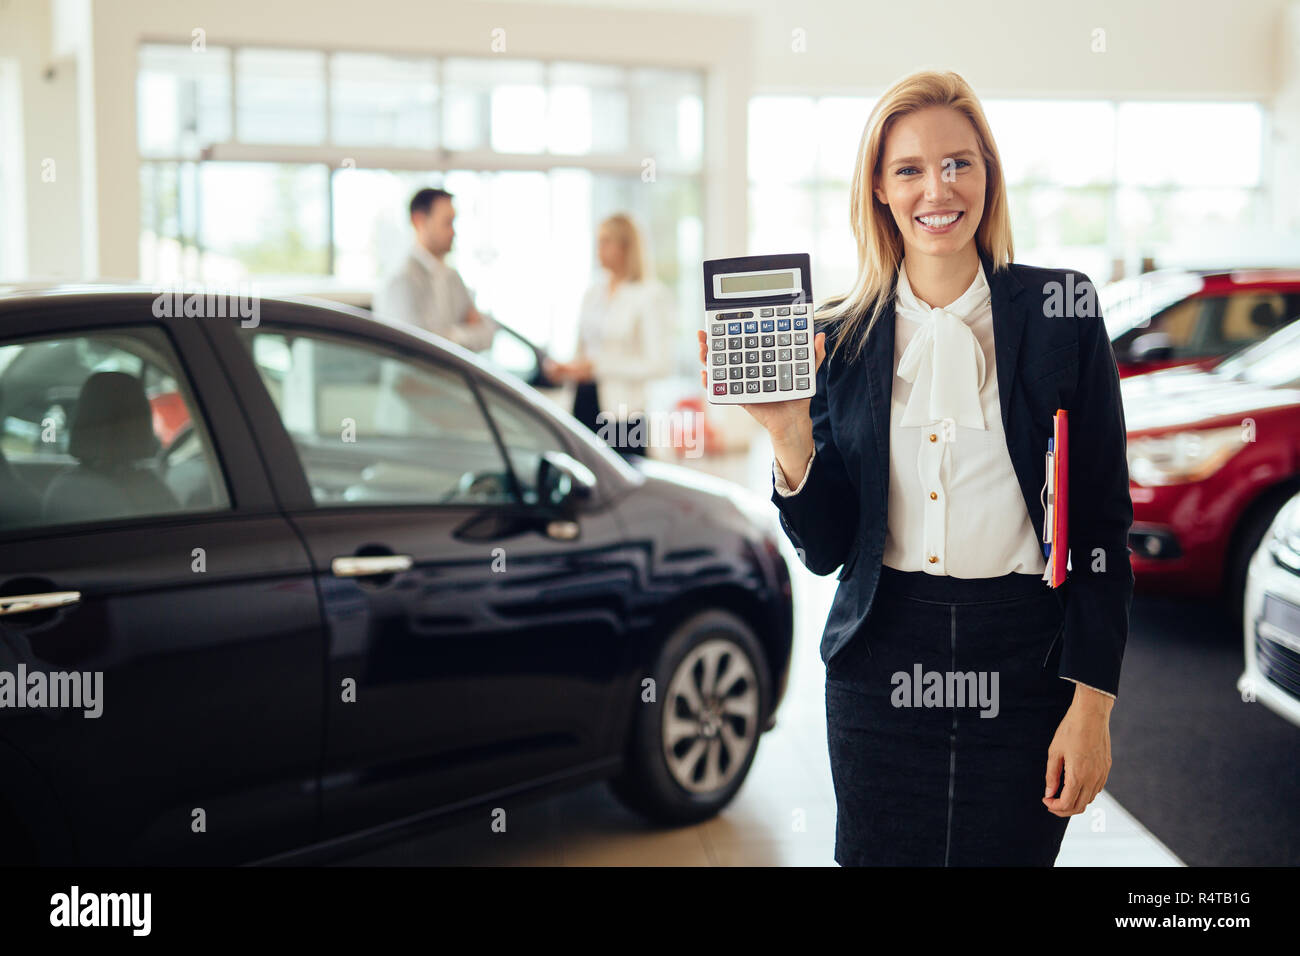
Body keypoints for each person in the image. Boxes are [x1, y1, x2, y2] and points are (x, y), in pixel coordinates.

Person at [696, 70, 1133, 866]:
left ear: (988, 176)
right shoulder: (836, 334)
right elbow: (828, 550)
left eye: (960, 163)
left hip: (1026, 657)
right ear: (879, 188)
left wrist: (1093, 703)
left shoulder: (1061, 309)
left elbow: (1102, 522)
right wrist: (789, 433)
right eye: (910, 169)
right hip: (881, 658)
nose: (940, 187)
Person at [546, 213, 675, 458]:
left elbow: (660, 365)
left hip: (622, 412)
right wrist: (568, 369)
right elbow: (583, 351)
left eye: (606, 242)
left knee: (623, 482)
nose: (599, 249)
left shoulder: (650, 295)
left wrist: (598, 367)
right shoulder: (593, 293)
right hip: (583, 402)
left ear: (625, 246)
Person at [373, 187, 495, 352]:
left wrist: (450, 336)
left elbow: (487, 333)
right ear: (419, 221)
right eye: (447, 223)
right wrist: (463, 331)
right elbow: (417, 348)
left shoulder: (452, 277)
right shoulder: (401, 280)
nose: (454, 232)